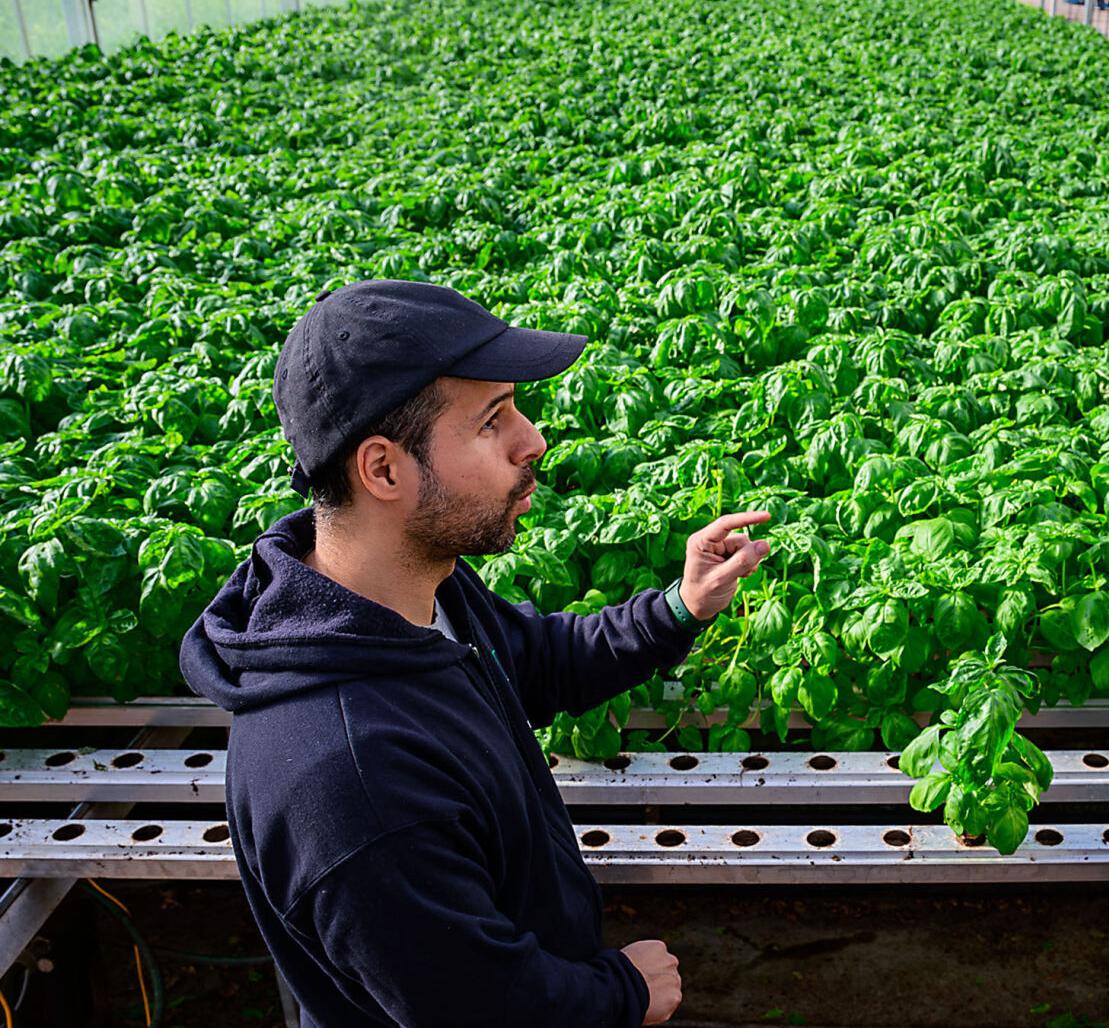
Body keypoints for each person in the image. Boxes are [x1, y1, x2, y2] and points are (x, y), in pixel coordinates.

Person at [182, 280, 771, 1027]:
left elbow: (532, 661)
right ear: (384, 469)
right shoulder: (350, 778)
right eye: (492, 421)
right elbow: (476, 1008)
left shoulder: (415, 597)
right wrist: (623, 995)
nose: (533, 440)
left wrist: (676, 608)